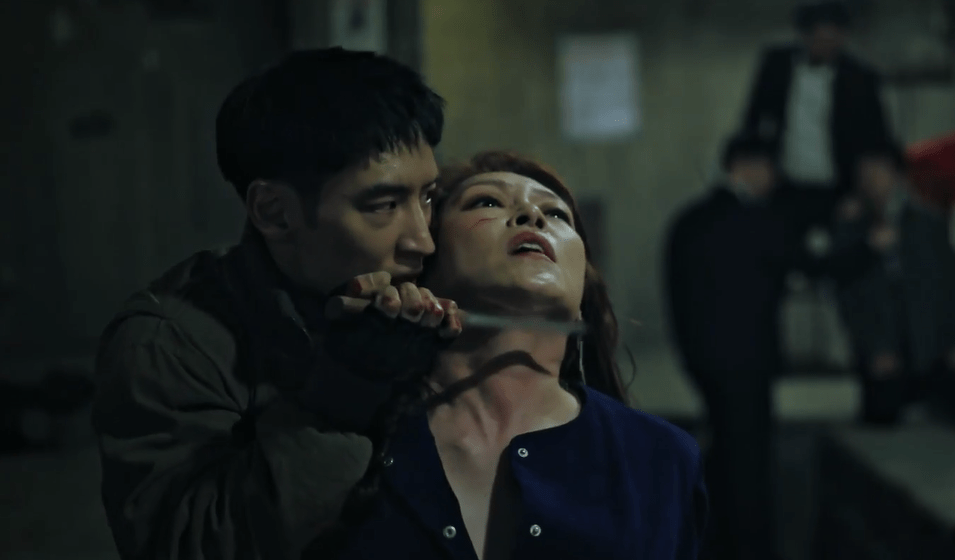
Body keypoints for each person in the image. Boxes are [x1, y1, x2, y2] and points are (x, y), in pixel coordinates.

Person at [91, 47, 461, 560]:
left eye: (427, 197)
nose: (422, 239)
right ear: (274, 212)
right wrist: (343, 390)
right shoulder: (170, 344)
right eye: (383, 205)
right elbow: (192, 547)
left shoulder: (432, 285)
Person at [305, 151, 708, 559]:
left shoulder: (660, 460)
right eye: (487, 202)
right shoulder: (356, 433)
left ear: (583, 295)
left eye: (557, 214)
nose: (532, 216)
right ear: (427, 258)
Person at [664, 133, 883, 560]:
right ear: (746, 167)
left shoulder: (688, 222)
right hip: (748, 365)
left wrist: (692, 356)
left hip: (703, 363)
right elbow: (816, 268)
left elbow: (677, 297)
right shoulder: (757, 222)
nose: (774, 179)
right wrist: (870, 249)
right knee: (748, 467)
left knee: (725, 455)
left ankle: (711, 545)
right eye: (769, 169)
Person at [835, 140, 955, 425]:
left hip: (934, 345)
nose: (872, 181)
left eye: (879, 171)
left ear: (897, 175)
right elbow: (851, 299)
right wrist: (873, 349)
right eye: (865, 174)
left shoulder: (928, 224)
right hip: (886, 348)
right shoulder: (853, 231)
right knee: (879, 414)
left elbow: (952, 289)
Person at [742, 0, 893, 238]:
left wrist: (861, 196)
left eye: (833, 39)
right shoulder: (776, 65)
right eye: (820, 39)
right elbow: (752, 121)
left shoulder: (860, 77)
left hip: (838, 190)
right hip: (783, 187)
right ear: (804, 35)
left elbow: (878, 142)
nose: (826, 47)